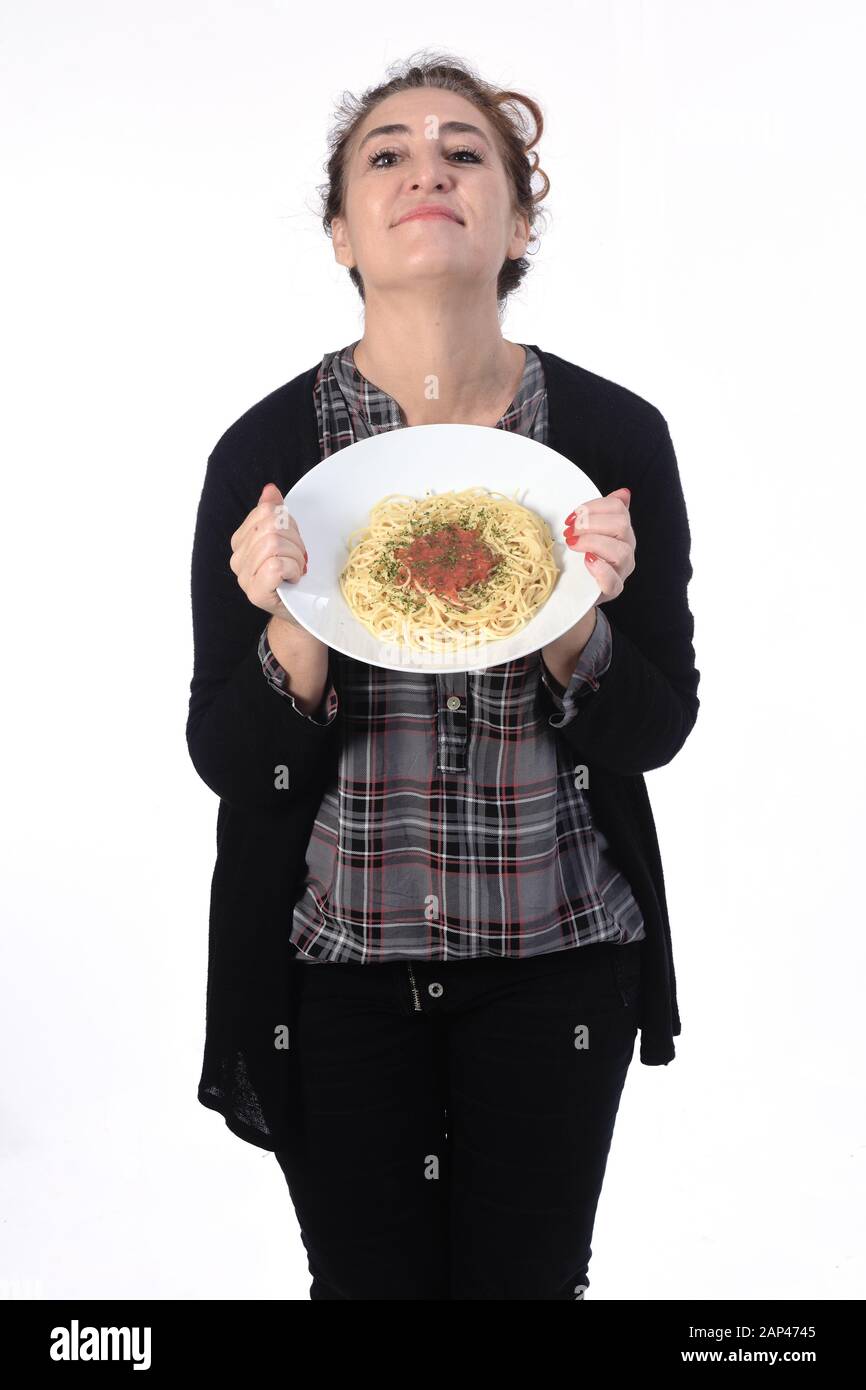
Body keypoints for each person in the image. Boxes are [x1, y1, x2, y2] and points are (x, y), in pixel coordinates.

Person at [186, 50, 700, 1300]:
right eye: (388, 154)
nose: (428, 169)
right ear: (340, 231)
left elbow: (655, 728)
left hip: (559, 957)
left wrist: (575, 615)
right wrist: (293, 620)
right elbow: (228, 758)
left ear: (516, 221)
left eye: (464, 152)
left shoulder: (610, 442)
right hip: (332, 968)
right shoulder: (265, 452)